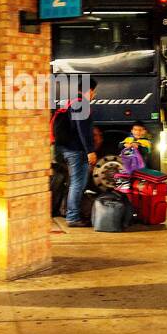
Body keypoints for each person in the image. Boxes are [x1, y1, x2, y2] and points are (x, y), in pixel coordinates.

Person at [51, 76, 96, 228]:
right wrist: (90, 151)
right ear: (89, 90)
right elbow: (83, 130)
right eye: (93, 92)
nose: (94, 95)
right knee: (78, 183)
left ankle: (72, 214)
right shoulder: (81, 103)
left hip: (68, 149)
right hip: (76, 150)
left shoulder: (72, 101)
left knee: (75, 183)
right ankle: (73, 217)